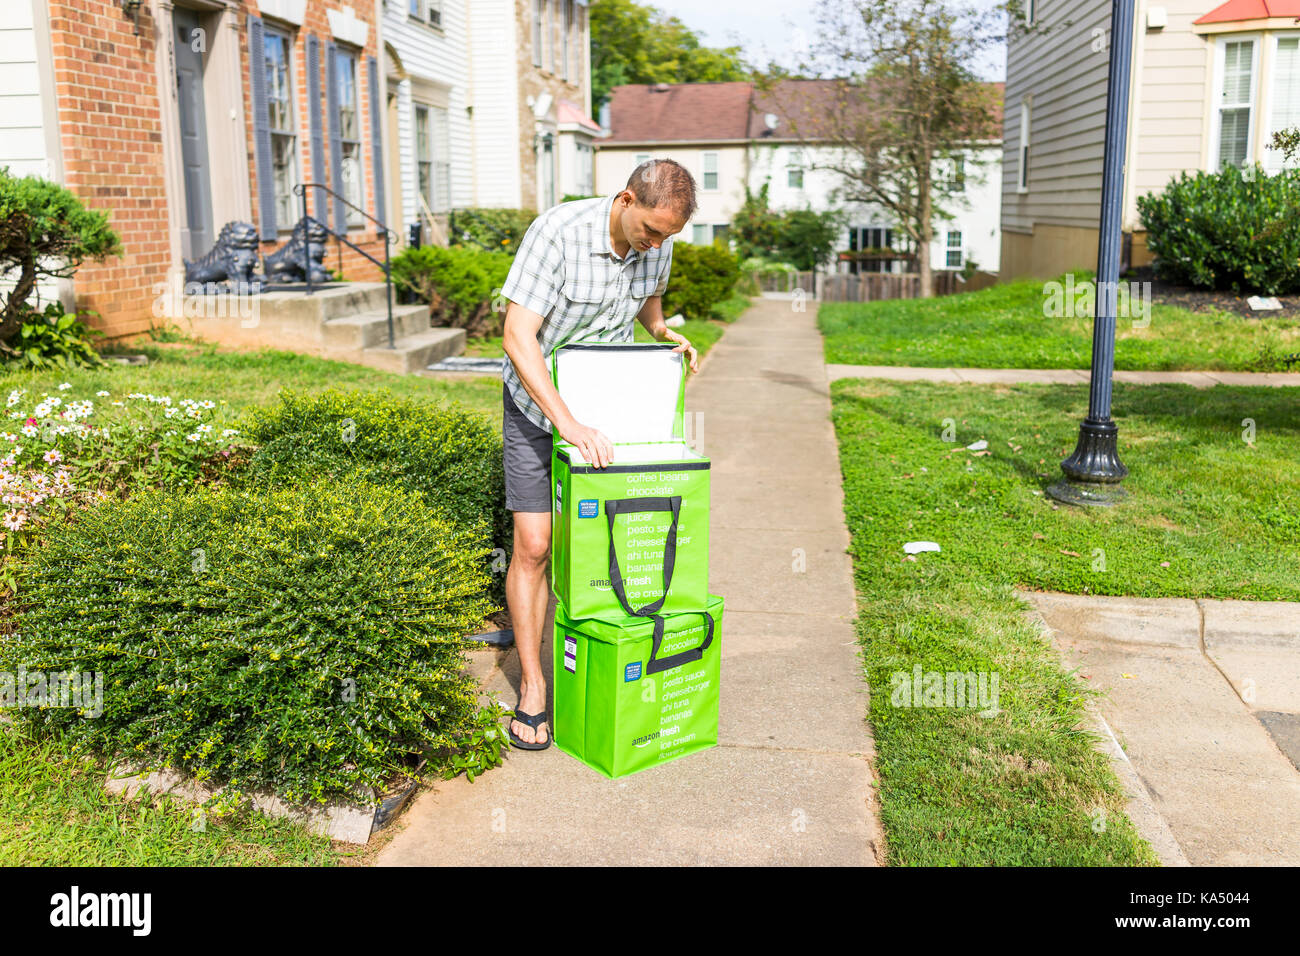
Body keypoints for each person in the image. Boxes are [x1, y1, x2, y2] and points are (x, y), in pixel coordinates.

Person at [497, 159, 700, 749]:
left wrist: (664, 334)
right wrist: (568, 423)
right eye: (652, 231)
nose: (657, 245)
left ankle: (610, 665)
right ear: (625, 198)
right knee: (535, 545)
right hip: (541, 407)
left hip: (610, 413)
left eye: (667, 238)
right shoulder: (556, 234)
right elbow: (516, 336)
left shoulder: (656, 242)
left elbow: (648, 301)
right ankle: (533, 686)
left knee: (600, 545)